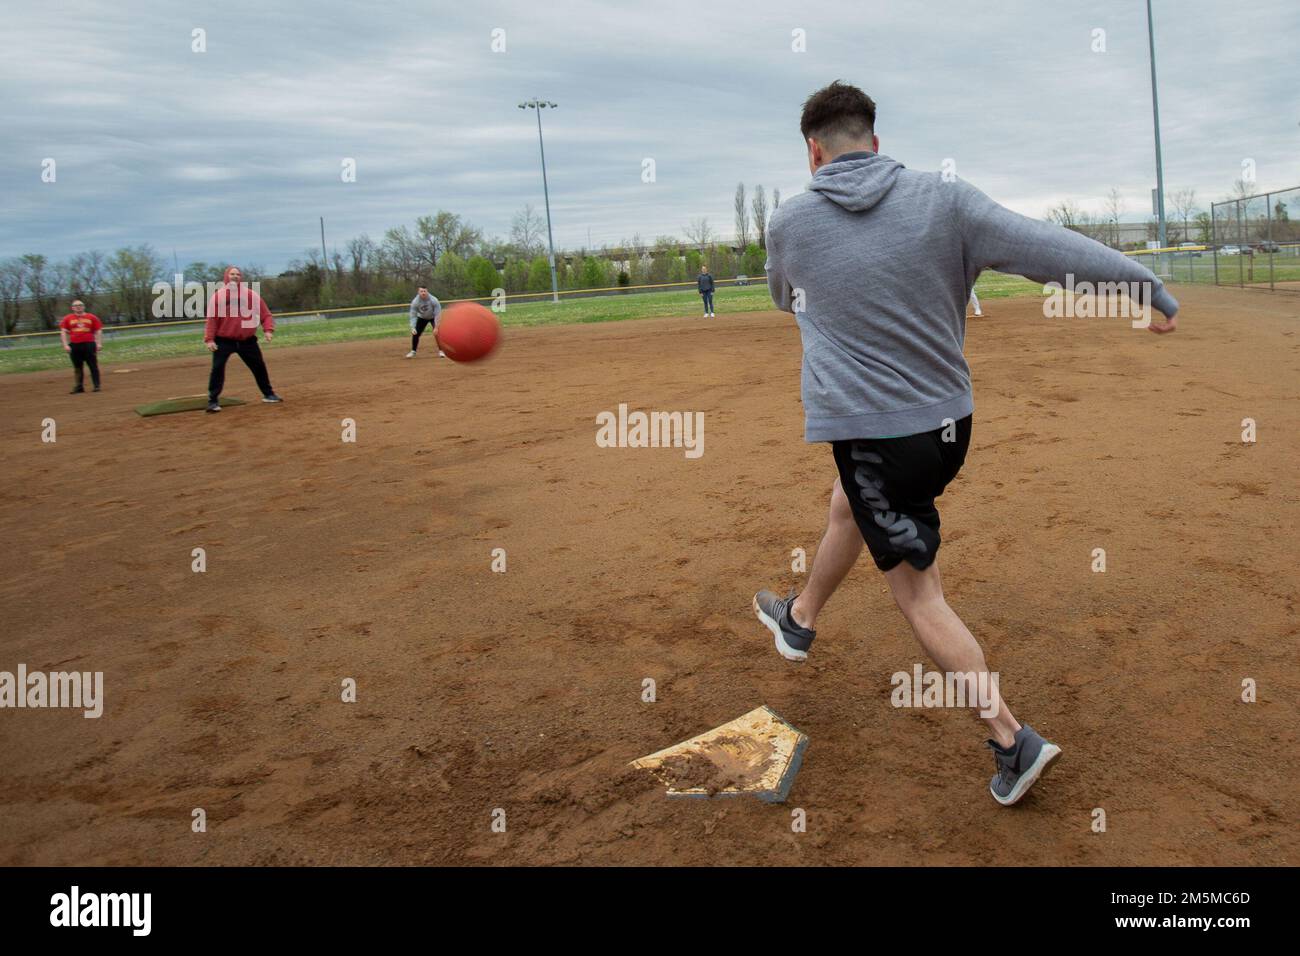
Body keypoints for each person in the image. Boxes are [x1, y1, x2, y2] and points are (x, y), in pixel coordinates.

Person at [755, 81, 1178, 806]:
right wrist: (1146, 287)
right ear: (877, 143)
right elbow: (1048, 248)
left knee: (918, 593)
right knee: (847, 506)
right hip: (948, 427)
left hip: (874, 437)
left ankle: (1012, 739)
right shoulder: (945, 200)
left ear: (813, 152)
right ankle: (800, 620)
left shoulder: (790, 222)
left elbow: (781, 295)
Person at [203, 266, 282, 413]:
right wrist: (209, 339)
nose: (235, 276)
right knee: (217, 369)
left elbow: (266, 314)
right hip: (224, 340)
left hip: (247, 340)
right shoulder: (218, 297)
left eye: (238, 274)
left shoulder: (251, 295)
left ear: (241, 277)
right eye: (232, 274)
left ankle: (269, 394)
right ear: (227, 276)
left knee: (259, 366)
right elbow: (212, 320)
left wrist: (268, 330)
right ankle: (213, 401)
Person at [58, 300, 103, 394]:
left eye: (80, 305)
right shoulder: (68, 318)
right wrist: (65, 345)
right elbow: (63, 332)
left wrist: (98, 343)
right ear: (72, 308)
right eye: (76, 305)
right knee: (78, 367)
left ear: (84, 307)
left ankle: (97, 386)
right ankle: (79, 387)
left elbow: (98, 330)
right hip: (75, 345)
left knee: (93, 365)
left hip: (89, 344)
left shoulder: (91, 317)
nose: (78, 307)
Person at [406, 287, 444, 358]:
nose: (423, 293)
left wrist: (436, 327)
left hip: (433, 317)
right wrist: (413, 327)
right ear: (418, 292)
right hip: (422, 317)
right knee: (415, 333)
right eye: (421, 291)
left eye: (424, 291)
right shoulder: (415, 302)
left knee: (437, 333)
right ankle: (413, 351)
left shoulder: (434, 300)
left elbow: (438, 314)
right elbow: (413, 315)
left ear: (427, 292)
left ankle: (441, 351)